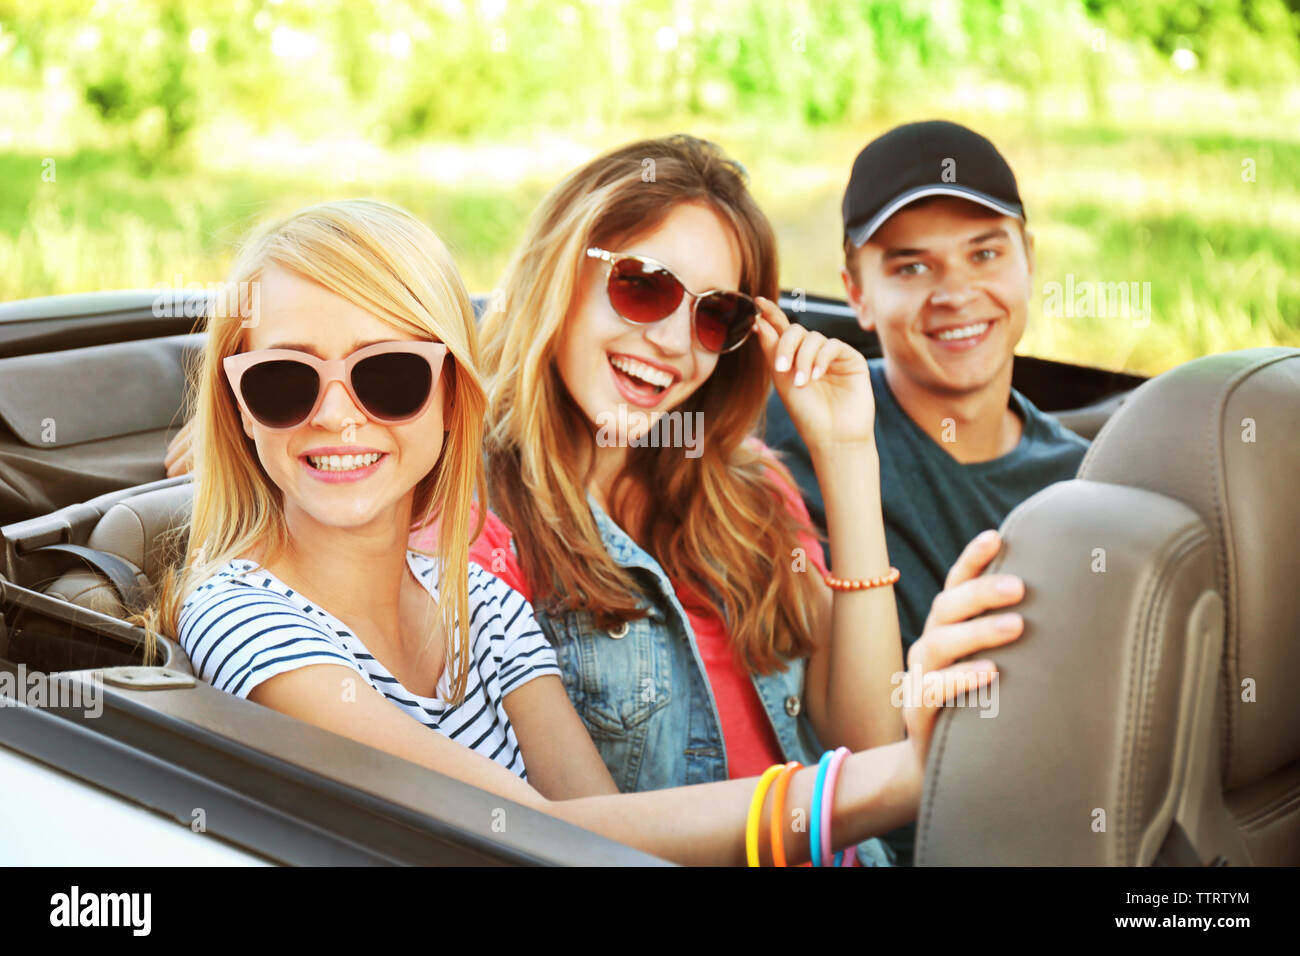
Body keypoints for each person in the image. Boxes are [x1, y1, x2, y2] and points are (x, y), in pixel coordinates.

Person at [141, 198, 1023, 866]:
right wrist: (889, 779)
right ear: (237, 404)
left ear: (451, 394)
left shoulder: (479, 605)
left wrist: (848, 455)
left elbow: (598, 845)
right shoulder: (242, 610)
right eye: (286, 385)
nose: (336, 417)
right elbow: (538, 835)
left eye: (391, 378)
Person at [763, 119, 1090, 863]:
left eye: (985, 253)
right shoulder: (799, 434)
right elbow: (859, 748)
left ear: (1029, 262)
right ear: (857, 294)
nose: (956, 293)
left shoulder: (1085, 482)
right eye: (910, 267)